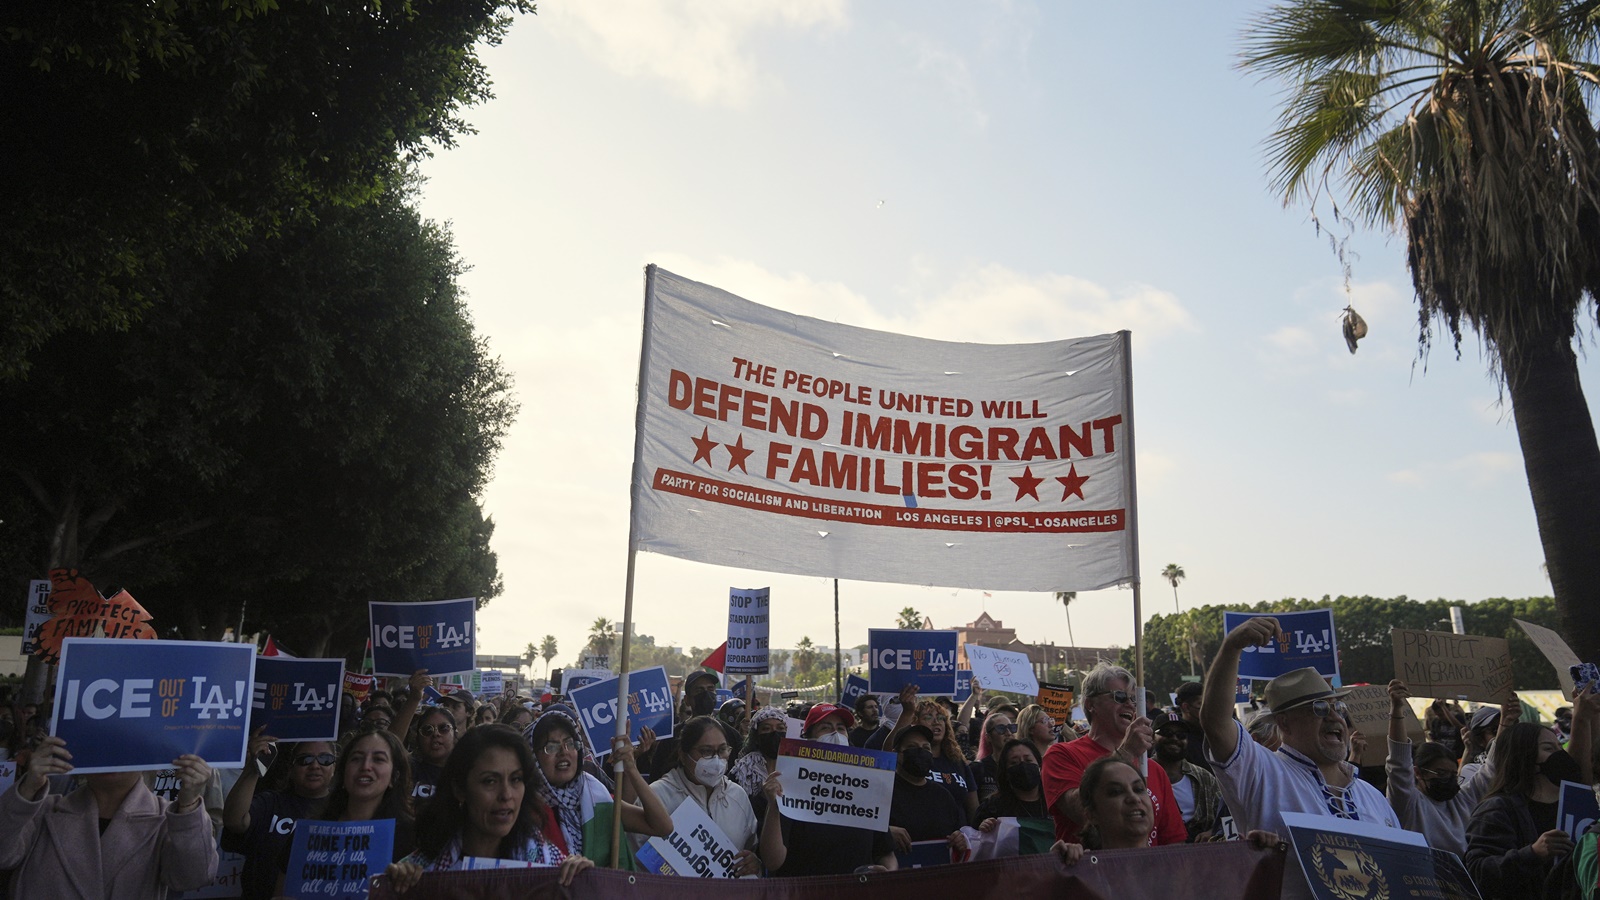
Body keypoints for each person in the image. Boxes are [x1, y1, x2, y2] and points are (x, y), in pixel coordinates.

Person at [1201, 617, 1401, 900]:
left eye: (1338, 707)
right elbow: (1215, 722)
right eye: (1319, 708)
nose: (1335, 717)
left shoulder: (1373, 797)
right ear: (1285, 724)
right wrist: (1232, 647)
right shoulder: (1263, 772)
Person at [0, 736, 217, 898]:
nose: (111, 754)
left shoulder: (167, 820)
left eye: (124, 745)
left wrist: (189, 804)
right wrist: (28, 788)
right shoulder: (42, 811)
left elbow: (194, 876)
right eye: (98, 742)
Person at [383, 724, 592, 890]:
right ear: (459, 789)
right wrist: (396, 891)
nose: (506, 795)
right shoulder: (419, 873)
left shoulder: (548, 862)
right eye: (490, 781)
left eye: (516, 779)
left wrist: (583, 884)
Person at [1041, 662, 1186, 847]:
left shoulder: (1154, 769)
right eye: (1120, 696)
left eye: (1134, 700)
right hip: (1093, 872)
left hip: (1148, 873)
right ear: (1091, 704)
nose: (1130, 705)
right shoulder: (1061, 755)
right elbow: (1082, 812)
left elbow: (1173, 841)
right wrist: (1126, 752)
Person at [1385, 679, 1520, 857]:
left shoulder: (1462, 799)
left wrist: (1506, 722)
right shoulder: (1409, 803)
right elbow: (1399, 763)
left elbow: (1491, 769)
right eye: (1441, 773)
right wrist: (1396, 710)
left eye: (1452, 774)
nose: (1448, 779)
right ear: (1417, 773)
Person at [759, 703, 897, 876]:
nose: (835, 734)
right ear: (808, 738)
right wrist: (773, 806)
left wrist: (889, 873)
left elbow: (885, 852)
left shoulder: (869, 784)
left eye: (841, 728)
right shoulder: (789, 784)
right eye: (825, 727)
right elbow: (772, 862)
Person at [524, 706, 672, 867]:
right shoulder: (521, 806)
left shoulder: (594, 796)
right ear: (532, 757)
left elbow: (662, 826)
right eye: (551, 747)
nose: (563, 752)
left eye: (570, 743)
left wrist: (631, 767)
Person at [1465, 719, 1594, 900]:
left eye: (1560, 747)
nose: (1560, 755)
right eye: (1549, 749)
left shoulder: (1574, 804)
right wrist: (1533, 853)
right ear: (1524, 756)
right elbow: (1478, 874)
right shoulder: (1496, 810)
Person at [636, 716, 761, 875]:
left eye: (722, 749)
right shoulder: (656, 796)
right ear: (682, 754)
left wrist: (754, 863)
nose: (716, 759)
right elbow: (635, 857)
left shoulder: (738, 795)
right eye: (706, 751)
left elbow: (750, 847)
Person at [222, 730, 334, 900]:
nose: (315, 766)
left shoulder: (343, 811)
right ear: (291, 768)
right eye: (305, 760)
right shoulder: (271, 802)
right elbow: (235, 821)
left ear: (335, 767)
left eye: (325, 759)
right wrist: (253, 769)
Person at [888, 724, 970, 859]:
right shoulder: (882, 791)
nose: (920, 752)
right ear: (897, 754)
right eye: (912, 747)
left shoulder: (943, 796)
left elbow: (957, 834)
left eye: (926, 748)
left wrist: (959, 840)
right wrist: (885, 834)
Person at [1152, 713, 1224, 840]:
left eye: (1181, 735)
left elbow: (1225, 816)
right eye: (1167, 733)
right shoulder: (1141, 775)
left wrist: (1212, 832)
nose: (1175, 738)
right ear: (1152, 737)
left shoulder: (1204, 777)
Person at [973, 738, 1049, 825]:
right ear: (1005, 771)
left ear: (1039, 764)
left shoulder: (1055, 801)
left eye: (1028, 760)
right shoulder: (992, 808)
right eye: (1014, 762)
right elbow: (974, 834)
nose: (1023, 765)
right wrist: (984, 826)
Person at [730, 706, 787, 804]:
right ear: (756, 736)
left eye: (780, 728)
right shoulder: (743, 770)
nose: (774, 732)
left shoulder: (800, 767)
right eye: (766, 728)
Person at [969, 706, 1019, 803]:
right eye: (1001, 729)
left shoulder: (1023, 765)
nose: (1008, 733)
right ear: (988, 737)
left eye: (1011, 728)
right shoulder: (977, 769)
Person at [409, 706, 457, 801]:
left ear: (455, 735)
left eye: (443, 728)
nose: (436, 734)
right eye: (427, 730)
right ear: (418, 739)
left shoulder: (466, 773)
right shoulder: (407, 770)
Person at [1173, 681, 1210, 771]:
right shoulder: (1178, 738)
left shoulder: (1212, 730)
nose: (1207, 708)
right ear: (1186, 707)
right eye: (1200, 704)